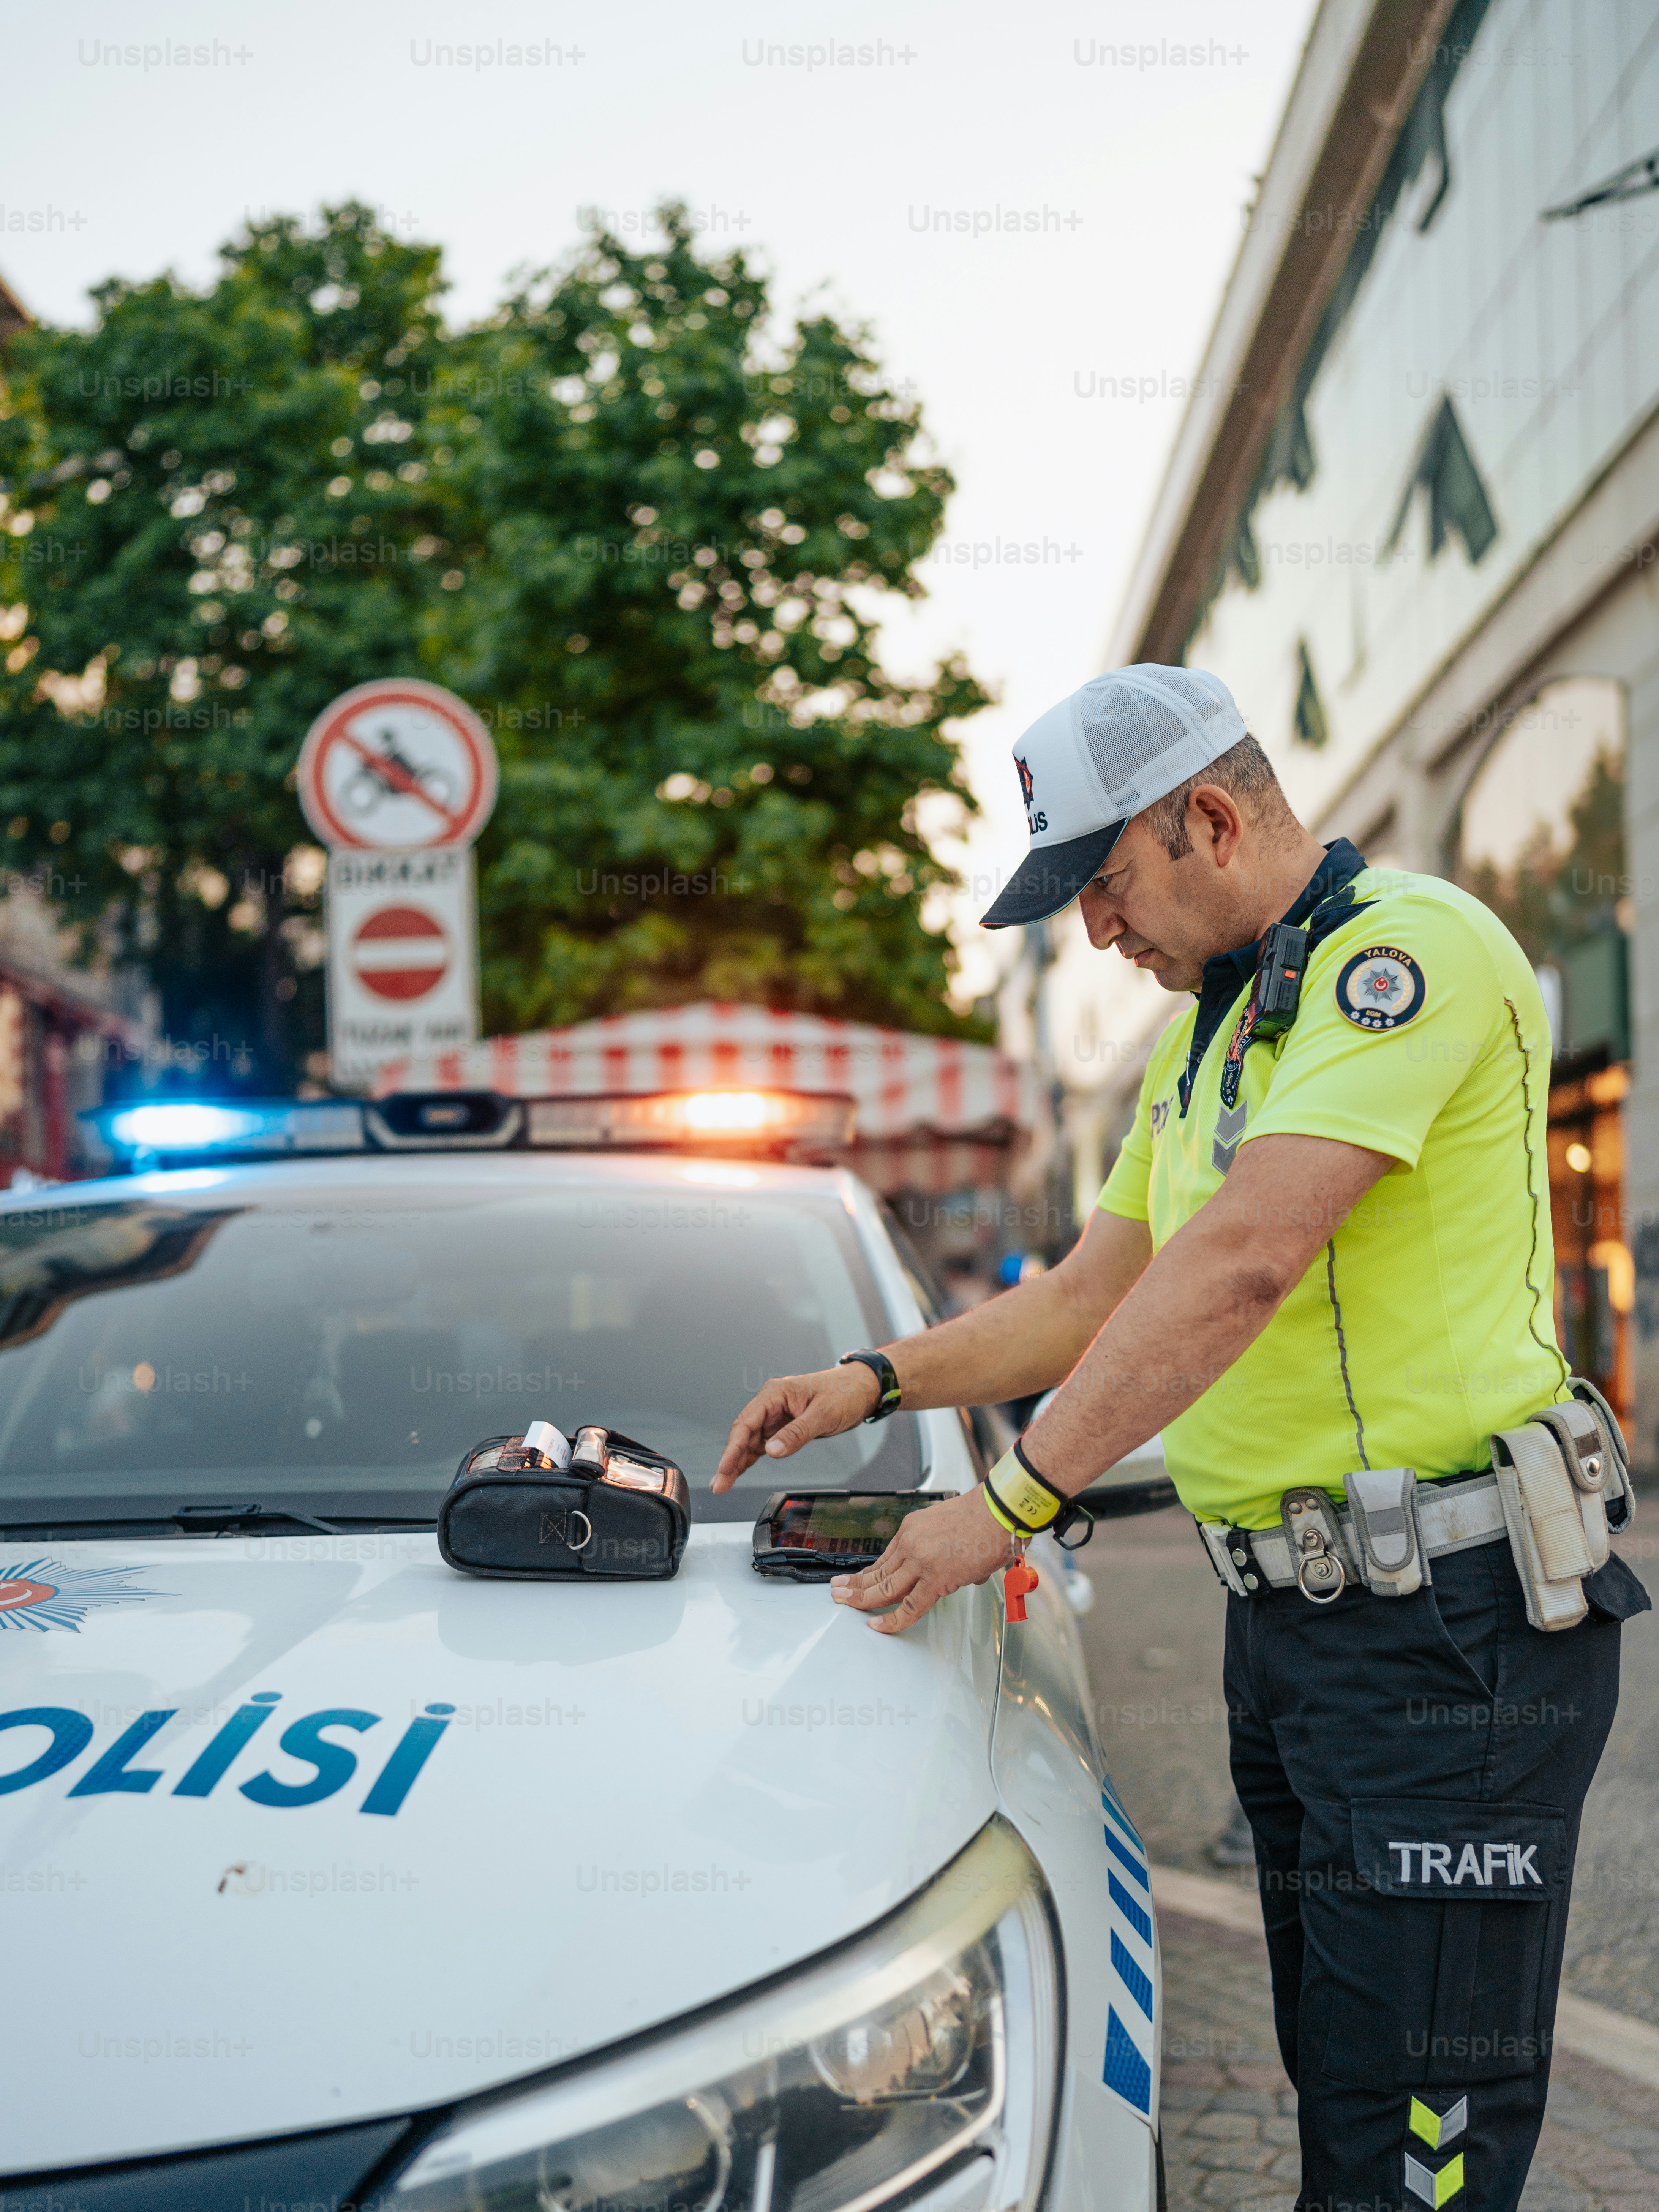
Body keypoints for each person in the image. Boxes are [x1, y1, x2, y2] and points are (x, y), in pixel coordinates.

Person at [714, 664, 1650, 2212]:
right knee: (1349, 2084)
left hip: (1450, 1636)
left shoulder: (1402, 957)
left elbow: (1244, 1261)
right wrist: (875, 1377)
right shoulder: (1207, 1043)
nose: (1094, 932)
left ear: (1210, 818)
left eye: (1102, 882)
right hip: (1302, 1634)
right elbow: (1094, 1294)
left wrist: (1004, 1507)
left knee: (1420, 2137)